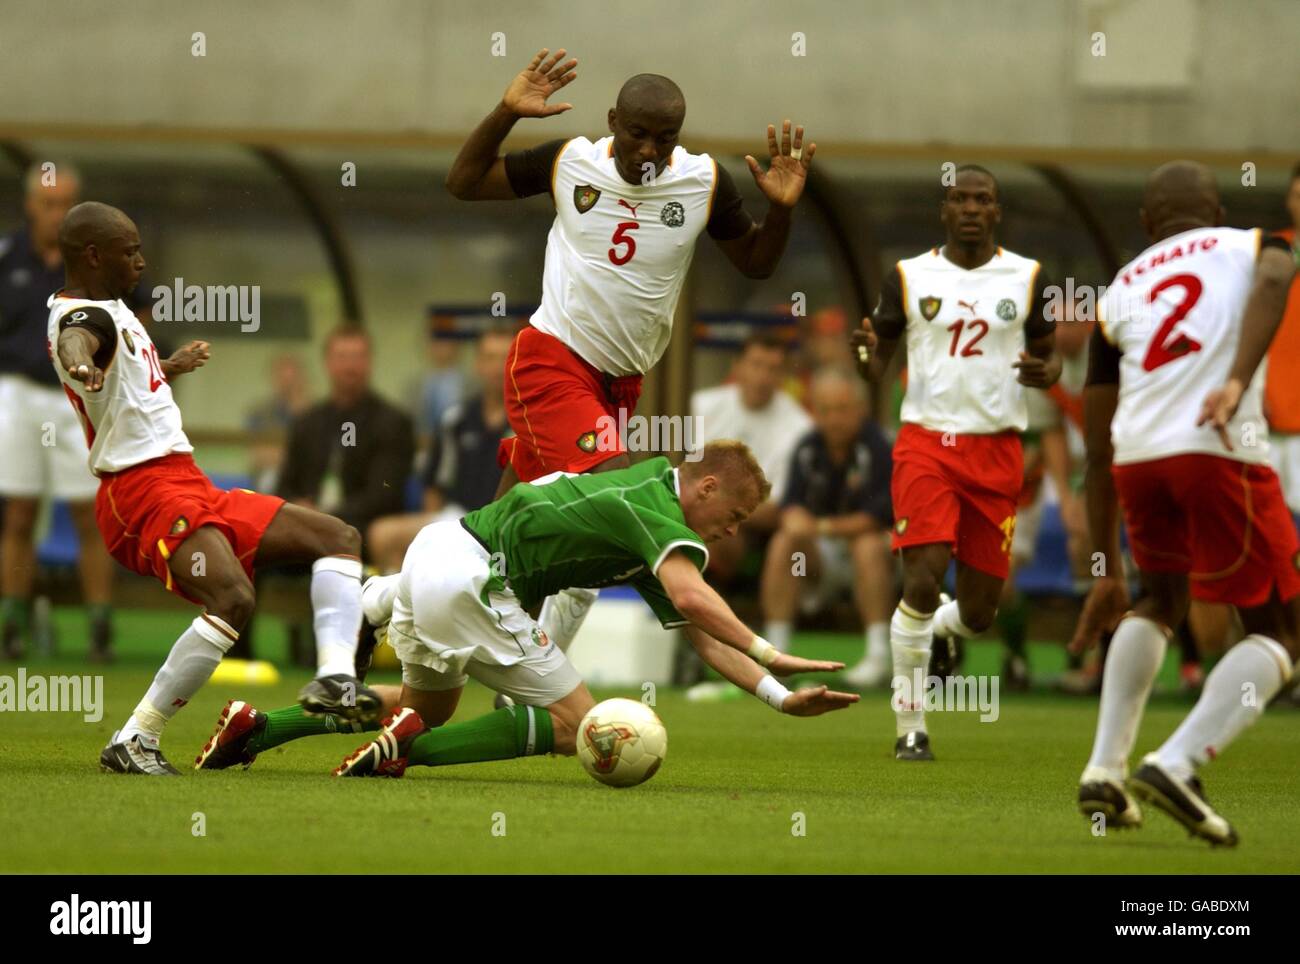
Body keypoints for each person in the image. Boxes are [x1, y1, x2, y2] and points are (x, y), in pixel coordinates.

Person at [445, 47, 815, 655]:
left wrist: (779, 212)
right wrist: (506, 113)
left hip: (619, 384)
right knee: (619, 501)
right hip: (553, 360)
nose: (649, 151)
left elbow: (756, 263)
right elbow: (462, 184)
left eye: (664, 139)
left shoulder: (703, 181)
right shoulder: (568, 161)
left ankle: (395, 607)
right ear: (613, 120)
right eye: (638, 135)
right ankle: (542, 678)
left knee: (509, 533)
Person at [194, 442, 858, 775]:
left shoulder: (658, 531)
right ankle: (402, 751)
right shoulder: (653, 506)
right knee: (578, 729)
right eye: (734, 515)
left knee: (430, 710)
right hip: (471, 576)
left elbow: (700, 635)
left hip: (438, 555)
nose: (734, 530)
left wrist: (776, 695)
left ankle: (259, 728)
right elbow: (693, 596)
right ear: (705, 487)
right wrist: (773, 651)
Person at [49, 202, 377, 775]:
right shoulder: (80, 318)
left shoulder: (114, 311)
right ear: (94, 256)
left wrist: (167, 364)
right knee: (233, 599)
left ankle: (335, 679)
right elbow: (79, 342)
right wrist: (80, 366)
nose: (142, 261)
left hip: (188, 481)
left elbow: (124, 377)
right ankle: (135, 738)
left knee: (337, 536)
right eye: (130, 252)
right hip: (141, 492)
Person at [1072, 161, 1299, 846]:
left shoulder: (1117, 292)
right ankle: (1177, 760)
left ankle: (1104, 770)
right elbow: (1276, 278)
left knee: (1160, 601)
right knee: (1283, 630)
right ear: (1219, 210)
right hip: (1217, 449)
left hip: (1140, 458)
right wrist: (1234, 381)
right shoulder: (1256, 244)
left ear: (1147, 225)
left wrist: (1104, 569)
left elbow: (1094, 448)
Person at [852, 164, 1061, 760]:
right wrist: (867, 356)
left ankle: (940, 629)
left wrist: (1050, 372)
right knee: (920, 579)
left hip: (996, 451)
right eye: (959, 199)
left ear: (997, 211)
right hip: (926, 443)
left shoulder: (1029, 278)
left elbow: (1049, 360)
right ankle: (910, 728)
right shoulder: (910, 276)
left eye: (982, 200)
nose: (970, 208)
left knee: (978, 614)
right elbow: (877, 361)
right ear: (944, 210)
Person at [0, 163, 115, 660]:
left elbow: (139, 312)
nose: (56, 214)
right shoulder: (6, 257)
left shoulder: (95, 263)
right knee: (19, 514)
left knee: (88, 514)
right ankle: (11, 624)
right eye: (48, 204)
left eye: (65, 204)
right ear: (30, 205)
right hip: (18, 395)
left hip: (76, 397)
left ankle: (99, 629)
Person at [759, 367, 894, 687]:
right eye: (826, 410)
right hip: (819, 560)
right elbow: (790, 509)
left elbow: (876, 518)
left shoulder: (878, 446)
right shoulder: (807, 447)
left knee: (867, 544)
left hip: (881, 558)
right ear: (814, 412)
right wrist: (794, 523)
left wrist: (818, 526)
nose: (834, 419)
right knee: (783, 542)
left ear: (860, 409)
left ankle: (878, 657)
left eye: (842, 410)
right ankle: (775, 657)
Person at [367, 327, 513, 573]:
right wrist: (431, 539)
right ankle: (403, 608)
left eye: (505, 358)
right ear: (477, 364)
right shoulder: (455, 420)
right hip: (458, 518)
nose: (498, 367)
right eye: (490, 358)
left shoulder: (532, 420)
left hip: (511, 522)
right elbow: (434, 486)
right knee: (382, 535)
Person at [689, 331, 811, 581]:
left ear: (784, 376)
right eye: (756, 365)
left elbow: (777, 509)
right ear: (738, 367)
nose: (763, 377)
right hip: (697, 511)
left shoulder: (800, 427)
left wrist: (716, 507)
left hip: (755, 531)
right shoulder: (700, 406)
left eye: (773, 369)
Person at [277, 326, 414, 548]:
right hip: (303, 527)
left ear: (370, 362)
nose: (350, 366)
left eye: (358, 357)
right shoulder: (306, 423)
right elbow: (283, 487)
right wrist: (299, 508)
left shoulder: (393, 423)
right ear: (327, 363)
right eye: (342, 357)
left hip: (363, 531)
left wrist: (323, 516)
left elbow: (384, 495)